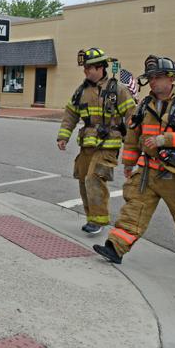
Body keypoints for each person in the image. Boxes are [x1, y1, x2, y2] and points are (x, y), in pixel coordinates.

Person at [94, 55, 175, 266]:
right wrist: (129, 165)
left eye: (158, 77)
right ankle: (115, 248)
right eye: (151, 77)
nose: (154, 81)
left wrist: (164, 139)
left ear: (171, 79)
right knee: (133, 210)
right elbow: (131, 138)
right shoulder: (143, 106)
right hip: (148, 171)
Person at [57, 48, 136, 234]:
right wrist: (63, 136)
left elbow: (132, 118)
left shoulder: (117, 90)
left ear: (100, 67)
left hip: (108, 146)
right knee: (83, 180)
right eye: (84, 68)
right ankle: (92, 218)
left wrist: (134, 147)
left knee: (94, 179)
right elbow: (70, 114)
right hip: (87, 145)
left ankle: (99, 221)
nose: (85, 72)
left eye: (88, 68)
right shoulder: (81, 91)